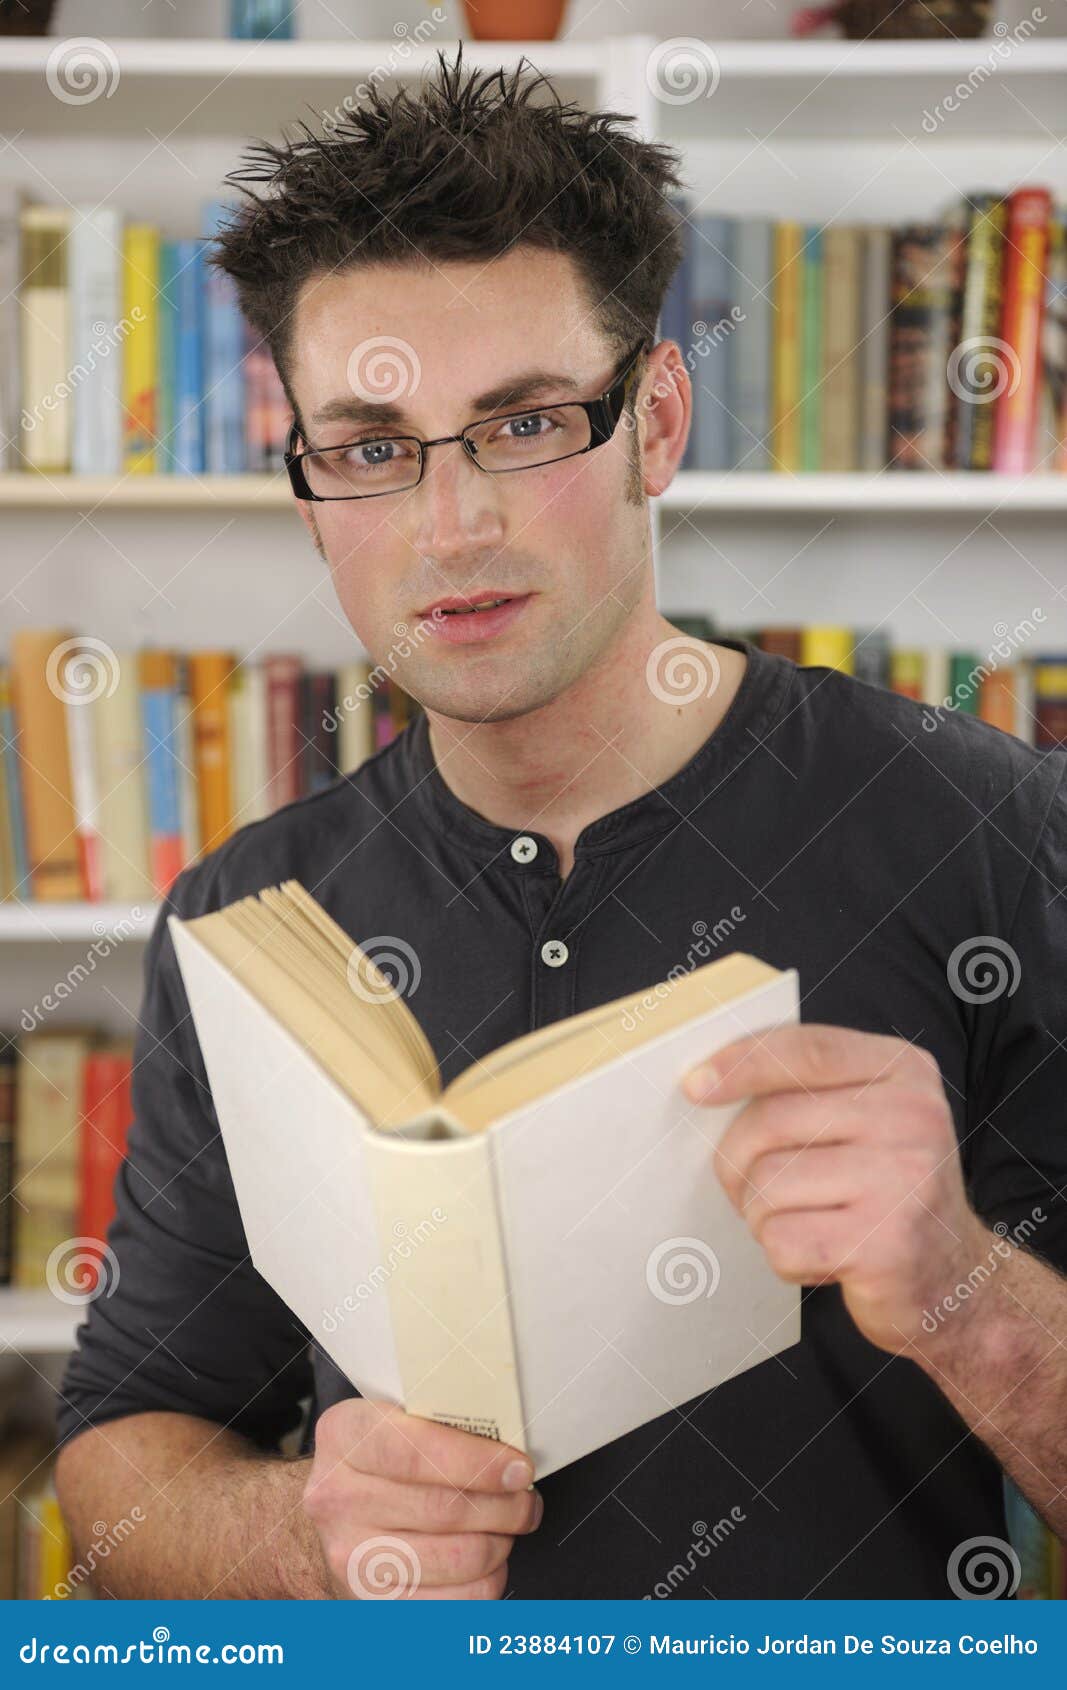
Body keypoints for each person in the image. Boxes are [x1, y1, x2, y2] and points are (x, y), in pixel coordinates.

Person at [55, 50, 1067, 1600]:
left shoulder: (993, 828)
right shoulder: (251, 920)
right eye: (372, 446)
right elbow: (123, 1459)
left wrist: (965, 1293)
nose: (450, 525)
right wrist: (308, 1536)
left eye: (524, 426)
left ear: (655, 420)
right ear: (312, 483)